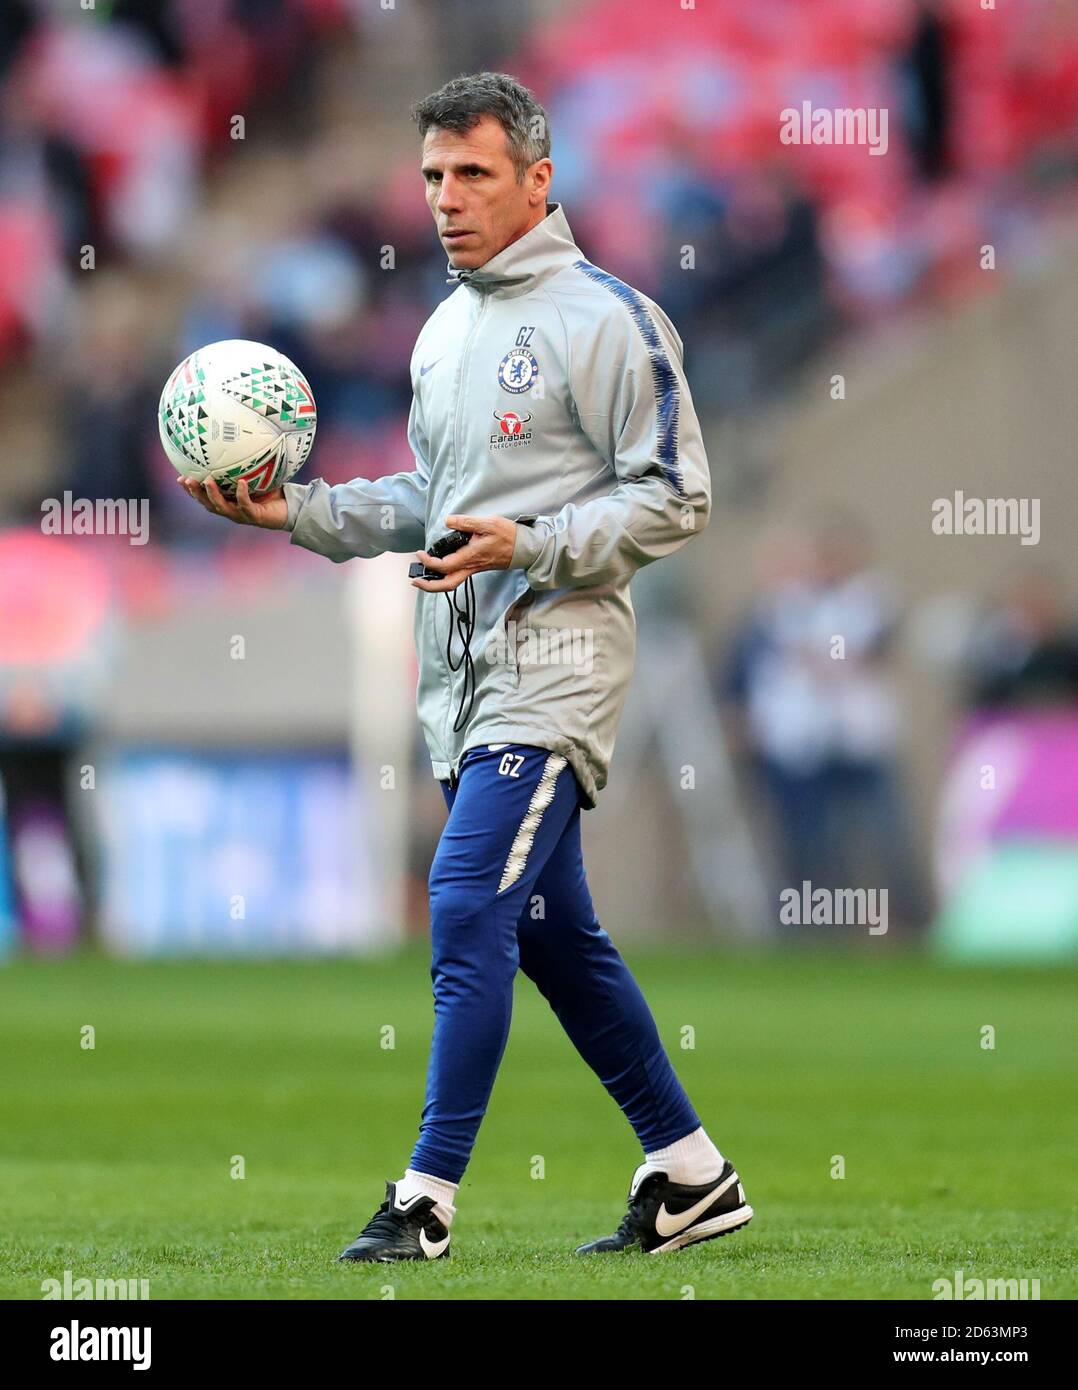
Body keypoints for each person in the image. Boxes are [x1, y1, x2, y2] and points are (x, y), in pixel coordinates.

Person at [179, 71, 751, 1261]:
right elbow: (434, 505)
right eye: (434, 176)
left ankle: (426, 1197)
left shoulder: (611, 319)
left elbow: (680, 493)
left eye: (474, 174)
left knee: (460, 897)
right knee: (553, 935)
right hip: (459, 677)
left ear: (540, 181)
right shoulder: (445, 330)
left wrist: (531, 542)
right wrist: (296, 511)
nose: (446, 199)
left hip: (555, 661)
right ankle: (690, 1173)